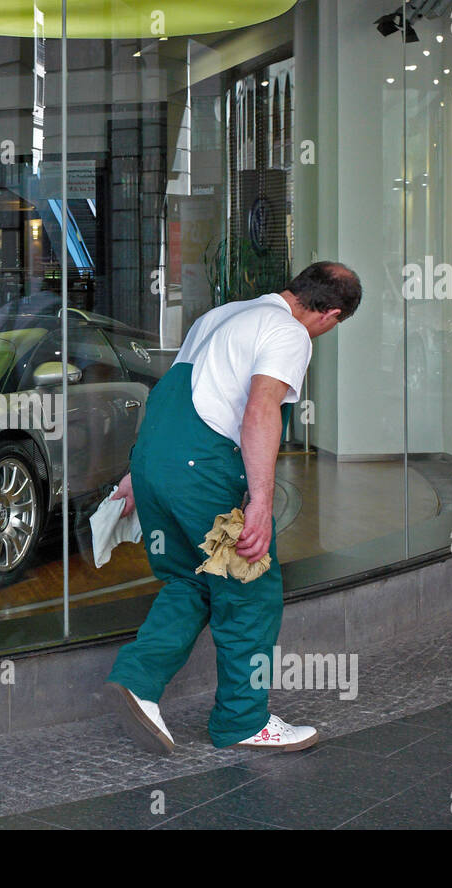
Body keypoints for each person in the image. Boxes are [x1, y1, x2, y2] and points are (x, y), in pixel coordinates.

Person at [106, 261, 362, 754]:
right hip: (201, 469)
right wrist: (263, 502)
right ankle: (242, 720)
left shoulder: (224, 314)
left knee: (191, 579)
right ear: (330, 314)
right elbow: (261, 409)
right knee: (250, 588)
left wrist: (141, 472)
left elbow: (174, 392)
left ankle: (137, 679)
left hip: (157, 460)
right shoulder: (289, 334)